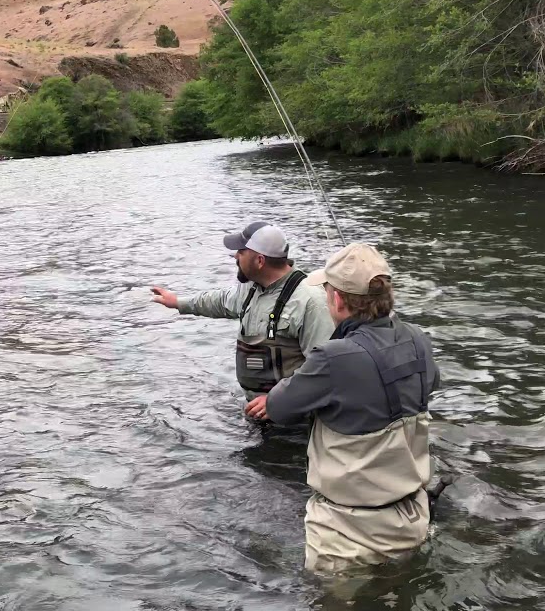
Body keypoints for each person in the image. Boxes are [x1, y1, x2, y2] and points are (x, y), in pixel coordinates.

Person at [250, 243, 440, 574]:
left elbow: (279, 408)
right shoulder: (418, 339)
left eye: (327, 294)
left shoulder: (332, 356)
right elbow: (429, 384)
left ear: (338, 300)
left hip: (346, 534)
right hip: (411, 518)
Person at [151, 221, 334, 412]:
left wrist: (280, 400)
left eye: (241, 251)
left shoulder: (311, 300)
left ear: (260, 261)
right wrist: (178, 302)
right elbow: (220, 301)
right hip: (258, 412)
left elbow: (324, 368)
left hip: (295, 420)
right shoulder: (251, 287)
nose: (235, 256)